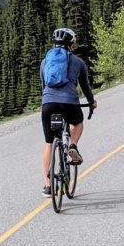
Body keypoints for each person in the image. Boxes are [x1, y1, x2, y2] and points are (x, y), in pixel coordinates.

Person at [40, 27, 96, 196]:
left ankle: (49, 186)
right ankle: (72, 145)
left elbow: (43, 86)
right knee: (78, 123)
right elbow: (85, 87)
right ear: (71, 44)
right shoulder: (78, 62)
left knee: (49, 143)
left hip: (48, 103)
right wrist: (91, 102)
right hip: (69, 103)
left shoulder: (45, 62)